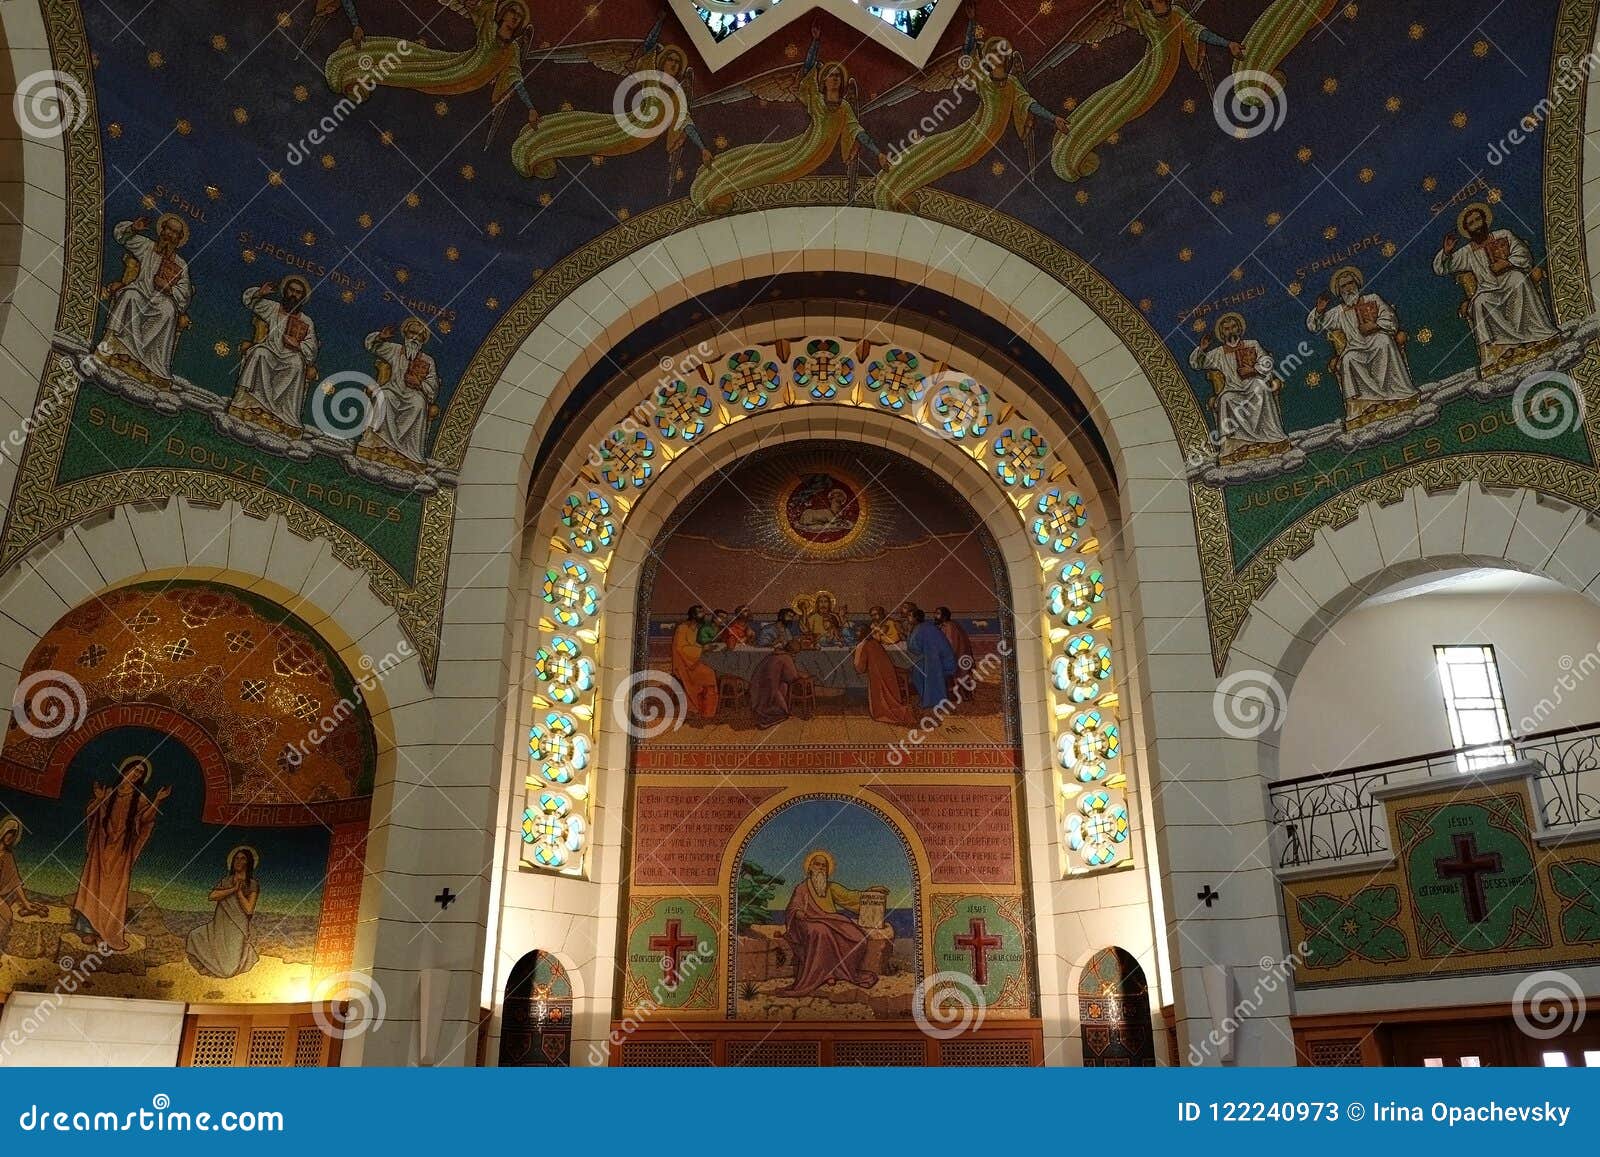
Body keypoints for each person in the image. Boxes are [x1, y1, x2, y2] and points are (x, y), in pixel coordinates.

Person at [1433, 202, 1558, 373]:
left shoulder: (1504, 234)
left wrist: (1508, 263)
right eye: (1471, 223)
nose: (1476, 225)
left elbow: (1523, 254)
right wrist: (1446, 252)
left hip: (1510, 279)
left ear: (1485, 220)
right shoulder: (1467, 251)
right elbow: (1441, 268)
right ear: (1467, 230)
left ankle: (1532, 335)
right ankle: (1503, 348)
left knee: (1518, 280)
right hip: (1488, 290)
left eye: (1478, 220)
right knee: (1480, 302)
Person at [74, 756, 170, 952]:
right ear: (125, 770)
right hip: (101, 846)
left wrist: (157, 801)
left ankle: (105, 934)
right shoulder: (109, 792)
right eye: (134, 770)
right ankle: (88, 929)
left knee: (114, 892)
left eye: (140, 773)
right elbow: (91, 813)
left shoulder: (140, 798)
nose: (136, 774)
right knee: (93, 885)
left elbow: (145, 820)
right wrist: (99, 799)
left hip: (121, 852)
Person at [1308, 267, 1415, 409]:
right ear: (1339, 291)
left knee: (1384, 342)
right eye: (1343, 286)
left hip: (1376, 339)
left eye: (1350, 283)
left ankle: (1393, 394)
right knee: (1348, 359)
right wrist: (1319, 311)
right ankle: (1369, 402)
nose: (1348, 288)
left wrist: (1375, 325)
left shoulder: (1372, 299)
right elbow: (1314, 326)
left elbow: (1389, 317)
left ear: (1357, 284)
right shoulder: (1338, 312)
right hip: (1356, 348)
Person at [781, 850, 883, 995]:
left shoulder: (831, 887)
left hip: (831, 921)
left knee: (857, 936)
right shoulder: (802, 888)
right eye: (817, 864)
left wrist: (870, 892)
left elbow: (850, 896)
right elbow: (793, 907)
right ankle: (825, 975)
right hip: (808, 922)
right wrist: (798, 913)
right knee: (821, 932)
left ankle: (836, 972)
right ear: (810, 868)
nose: (821, 868)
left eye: (824, 865)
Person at [103, 215, 192, 380]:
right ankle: (119, 350)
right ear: (162, 230)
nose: (169, 234)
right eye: (168, 229)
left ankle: (146, 362)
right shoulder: (147, 246)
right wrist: (132, 228)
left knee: (168, 311)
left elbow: (185, 294)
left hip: (161, 300)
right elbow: (120, 236)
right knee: (130, 296)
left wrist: (168, 288)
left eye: (174, 233)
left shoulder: (181, 264)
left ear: (179, 238)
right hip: (140, 291)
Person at [235, 277, 319, 431]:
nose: (294, 295)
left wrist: (298, 345)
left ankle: (279, 413)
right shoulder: (273, 307)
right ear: (285, 291)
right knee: (259, 353)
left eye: (298, 293)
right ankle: (255, 404)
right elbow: (248, 301)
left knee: (297, 365)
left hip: (291, 356)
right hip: (270, 350)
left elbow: (312, 348)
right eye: (291, 290)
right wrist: (259, 293)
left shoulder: (307, 321)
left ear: (303, 297)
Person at [363, 318, 439, 462]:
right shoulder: (395, 349)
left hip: (414, 394)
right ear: (405, 334)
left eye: (419, 335)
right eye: (412, 333)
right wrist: (380, 337)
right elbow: (370, 346)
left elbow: (433, 385)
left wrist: (419, 384)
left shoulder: (428, 360)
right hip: (393, 389)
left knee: (418, 404)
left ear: (423, 340)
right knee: (385, 397)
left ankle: (405, 450)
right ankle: (381, 443)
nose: (415, 337)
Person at [186, 847, 261, 978]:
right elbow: (212, 896)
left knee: (229, 970)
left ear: (248, 862)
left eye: (242, 858)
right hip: (219, 924)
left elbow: (249, 909)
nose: (238, 861)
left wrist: (239, 892)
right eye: (236, 858)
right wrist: (232, 889)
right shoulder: (226, 881)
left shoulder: (252, 884)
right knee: (194, 936)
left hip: (238, 926)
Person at [0, 817, 47, 955]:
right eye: (9, 832)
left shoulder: (8, 856)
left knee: (7, 916)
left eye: (14, 834)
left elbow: (14, 881)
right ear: (3, 831)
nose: (11, 836)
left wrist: (26, 904)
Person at [852, 634, 914, 727]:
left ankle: (891, 712)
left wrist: (855, 655)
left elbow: (860, 668)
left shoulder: (864, 645)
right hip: (887, 672)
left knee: (882, 697)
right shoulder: (874, 643)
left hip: (878, 674)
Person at [671, 605, 719, 719]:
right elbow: (680, 648)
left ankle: (708, 710)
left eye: (703, 612)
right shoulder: (682, 628)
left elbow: (694, 644)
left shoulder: (696, 628)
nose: (704, 614)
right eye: (701, 612)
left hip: (693, 661)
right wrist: (702, 649)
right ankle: (702, 709)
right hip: (683, 664)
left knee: (712, 670)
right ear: (693, 615)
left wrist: (706, 647)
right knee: (709, 674)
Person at [906, 607, 957, 710]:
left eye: (910, 616)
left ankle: (931, 700)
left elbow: (914, 648)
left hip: (938, 660)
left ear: (916, 618)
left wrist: (908, 633)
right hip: (940, 658)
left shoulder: (920, 629)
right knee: (917, 670)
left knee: (917, 673)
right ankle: (930, 699)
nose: (908, 618)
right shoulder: (927, 626)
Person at [749, 641, 803, 728]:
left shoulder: (773, 654)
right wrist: (800, 675)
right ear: (793, 652)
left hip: (758, 684)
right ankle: (766, 721)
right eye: (796, 653)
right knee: (782, 711)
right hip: (770, 688)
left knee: (782, 685)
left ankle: (762, 715)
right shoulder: (786, 658)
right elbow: (792, 677)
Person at [935, 606, 975, 698]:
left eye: (938, 614)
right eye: (935, 613)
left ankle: (959, 695)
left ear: (944, 616)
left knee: (958, 674)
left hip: (958, 655)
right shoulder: (946, 625)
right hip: (957, 655)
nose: (935, 616)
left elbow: (951, 644)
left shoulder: (950, 626)